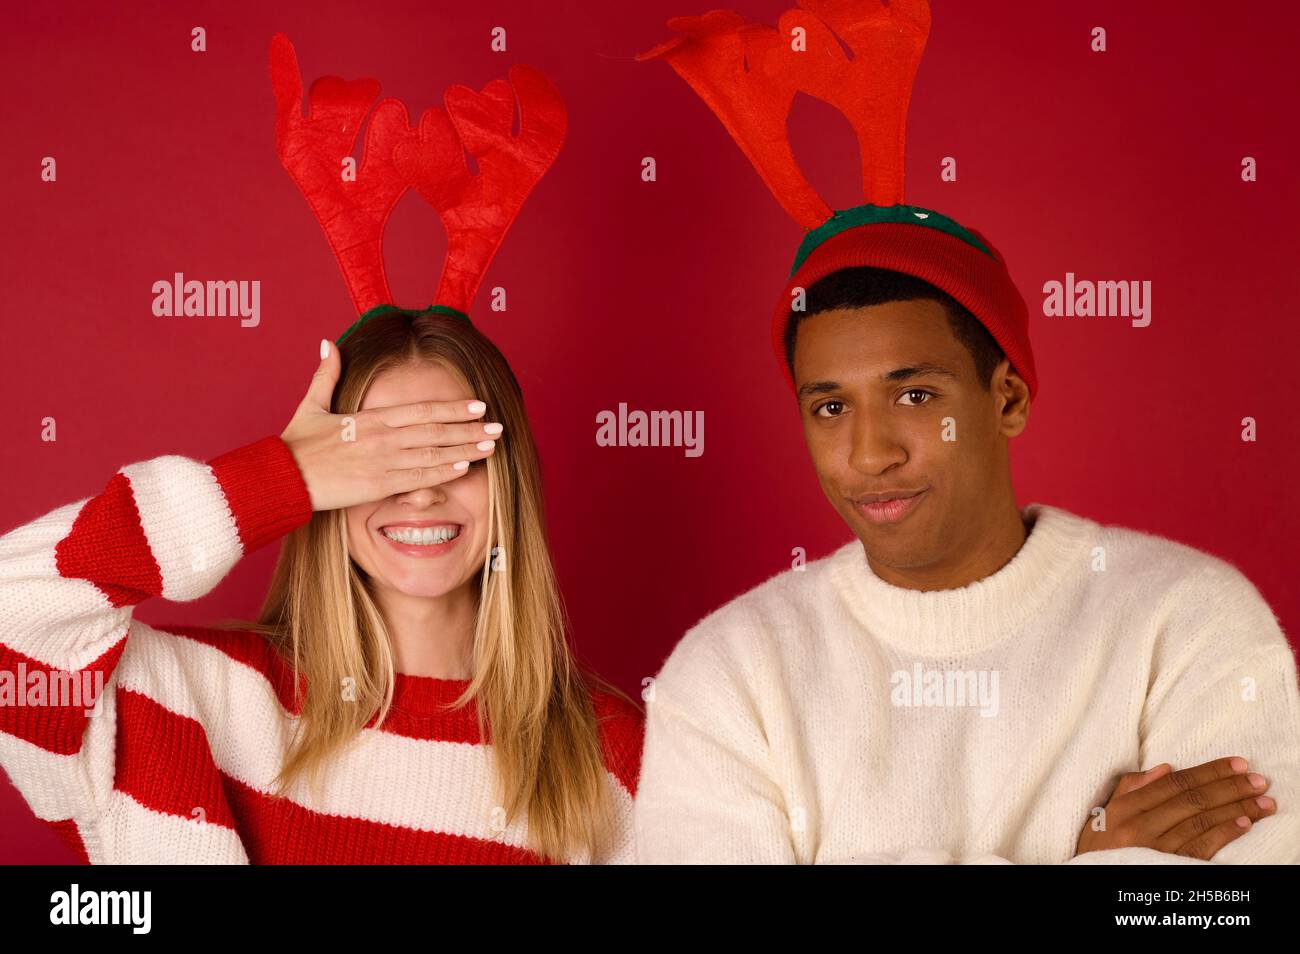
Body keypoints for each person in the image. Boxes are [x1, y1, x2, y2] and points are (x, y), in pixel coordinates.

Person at [632, 1, 1299, 864]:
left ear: (1009, 398)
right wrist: (1084, 859)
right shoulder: (729, 673)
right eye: (830, 406)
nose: (870, 453)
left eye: (914, 396)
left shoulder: (1187, 621)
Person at [0, 35, 642, 865]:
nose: (418, 491)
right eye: (375, 453)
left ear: (509, 482)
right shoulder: (188, 699)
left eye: (453, 450)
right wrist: (283, 474)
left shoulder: (615, 761)